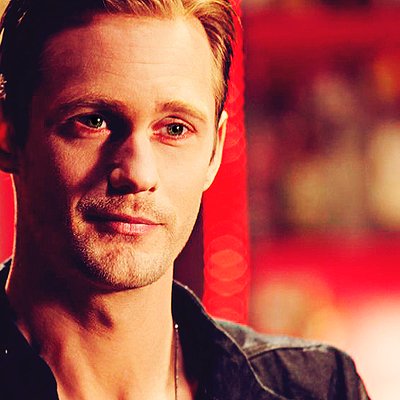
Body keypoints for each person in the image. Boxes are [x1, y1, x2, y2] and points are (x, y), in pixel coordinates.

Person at [0, 0, 370, 399]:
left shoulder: (319, 388)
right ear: (7, 134)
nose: (139, 173)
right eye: (93, 121)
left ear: (215, 151)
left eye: (175, 129)